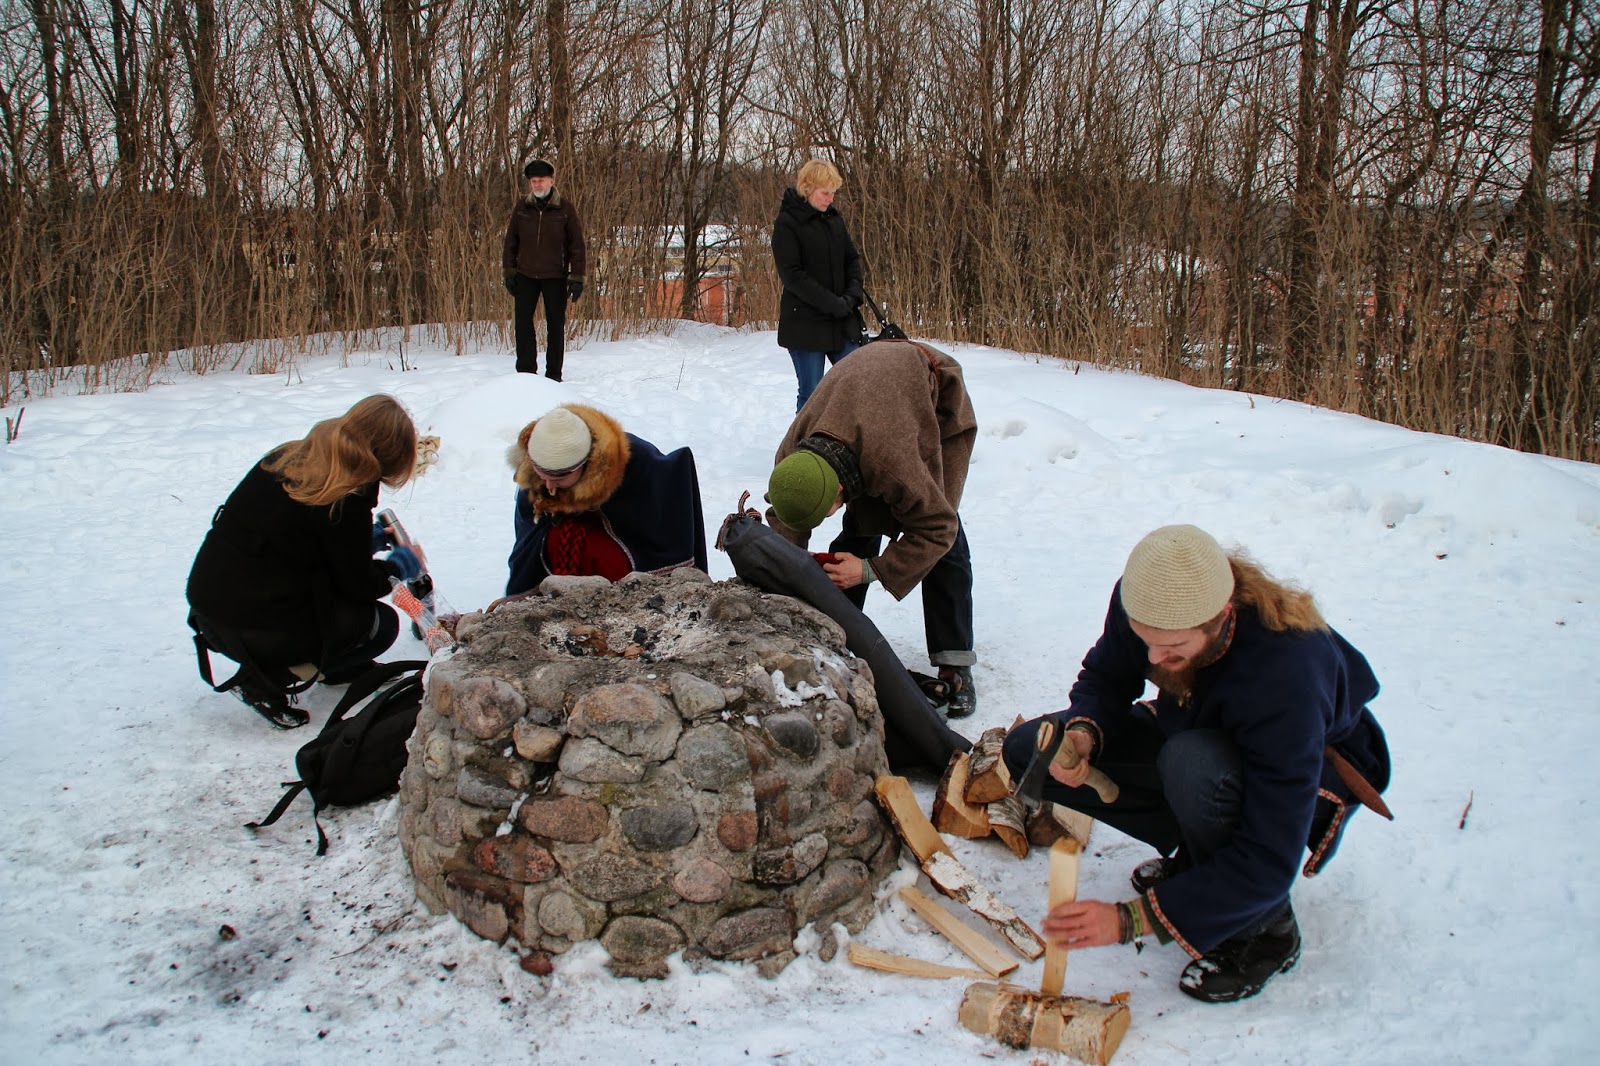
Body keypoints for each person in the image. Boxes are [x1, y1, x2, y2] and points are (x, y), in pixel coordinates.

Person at [1002, 525, 1391, 1003]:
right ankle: (1201, 862)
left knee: (1193, 768)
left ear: (1221, 617)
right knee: (1029, 750)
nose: (1154, 660)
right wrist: (1084, 734)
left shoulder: (1288, 671)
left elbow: (1271, 854)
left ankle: (1267, 930)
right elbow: (1107, 674)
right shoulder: (1147, 601)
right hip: (1196, 732)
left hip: (1303, 772)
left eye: (1173, 651)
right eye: (1147, 643)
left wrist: (1132, 919)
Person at [764, 339, 979, 716]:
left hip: (934, 390)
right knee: (859, 528)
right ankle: (839, 635)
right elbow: (786, 518)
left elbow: (936, 529)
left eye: (823, 512)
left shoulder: (895, 464)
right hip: (867, 394)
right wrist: (788, 579)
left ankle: (955, 660)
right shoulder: (791, 460)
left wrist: (869, 570)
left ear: (841, 489)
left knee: (945, 537)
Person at [186, 395, 424, 724]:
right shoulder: (345, 494)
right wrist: (400, 565)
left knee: (338, 607)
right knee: (379, 626)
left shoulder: (294, 458)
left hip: (210, 608)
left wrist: (362, 542)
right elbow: (358, 585)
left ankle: (337, 668)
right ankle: (267, 680)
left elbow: (296, 542)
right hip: (247, 627)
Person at [506, 404, 707, 595]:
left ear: (585, 464)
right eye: (543, 476)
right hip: (569, 544)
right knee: (560, 538)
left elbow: (661, 509)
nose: (548, 486)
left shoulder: (634, 460)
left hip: (621, 547)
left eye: (559, 478)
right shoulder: (538, 466)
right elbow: (529, 532)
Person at [772, 158, 866, 411]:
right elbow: (793, 276)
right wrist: (832, 303)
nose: (830, 199)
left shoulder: (834, 219)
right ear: (808, 188)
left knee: (857, 382)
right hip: (805, 325)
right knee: (812, 393)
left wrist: (852, 295)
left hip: (841, 321)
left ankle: (847, 444)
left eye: (833, 193)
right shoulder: (787, 224)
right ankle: (803, 447)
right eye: (825, 193)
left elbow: (852, 259)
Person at [502, 158, 586, 380]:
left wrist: (577, 277)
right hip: (525, 274)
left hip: (555, 276)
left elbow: (576, 245)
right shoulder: (522, 208)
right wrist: (509, 272)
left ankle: (553, 375)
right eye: (533, 181)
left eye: (541, 180)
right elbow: (511, 241)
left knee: (556, 326)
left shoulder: (565, 209)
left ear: (551, 181)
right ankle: (526, 372)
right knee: (522, 324)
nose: (537, 185)